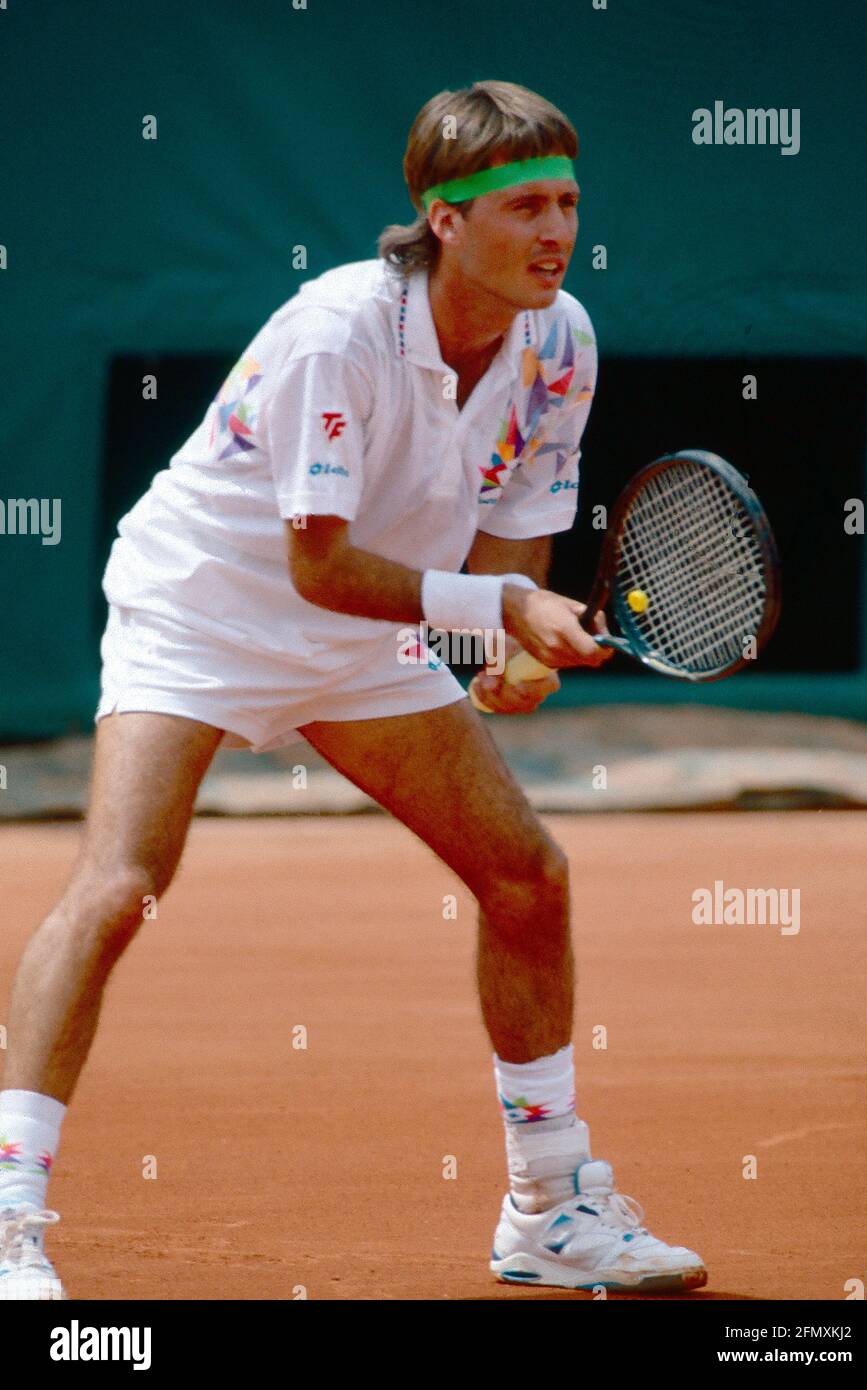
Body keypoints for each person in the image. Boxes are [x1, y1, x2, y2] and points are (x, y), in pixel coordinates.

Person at [0, 79, 705, 1298]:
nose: (556, 230)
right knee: (121, 885)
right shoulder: (337, 330)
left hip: (365, 633)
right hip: (201, 609)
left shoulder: (560, 341)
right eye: (524, 205)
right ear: (443, 218)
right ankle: (9, 1215)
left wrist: (514, 648)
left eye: (569, 203)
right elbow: (318, 565)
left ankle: (547, 1204)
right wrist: (495, 613)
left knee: (525, 874)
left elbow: (512, 535)